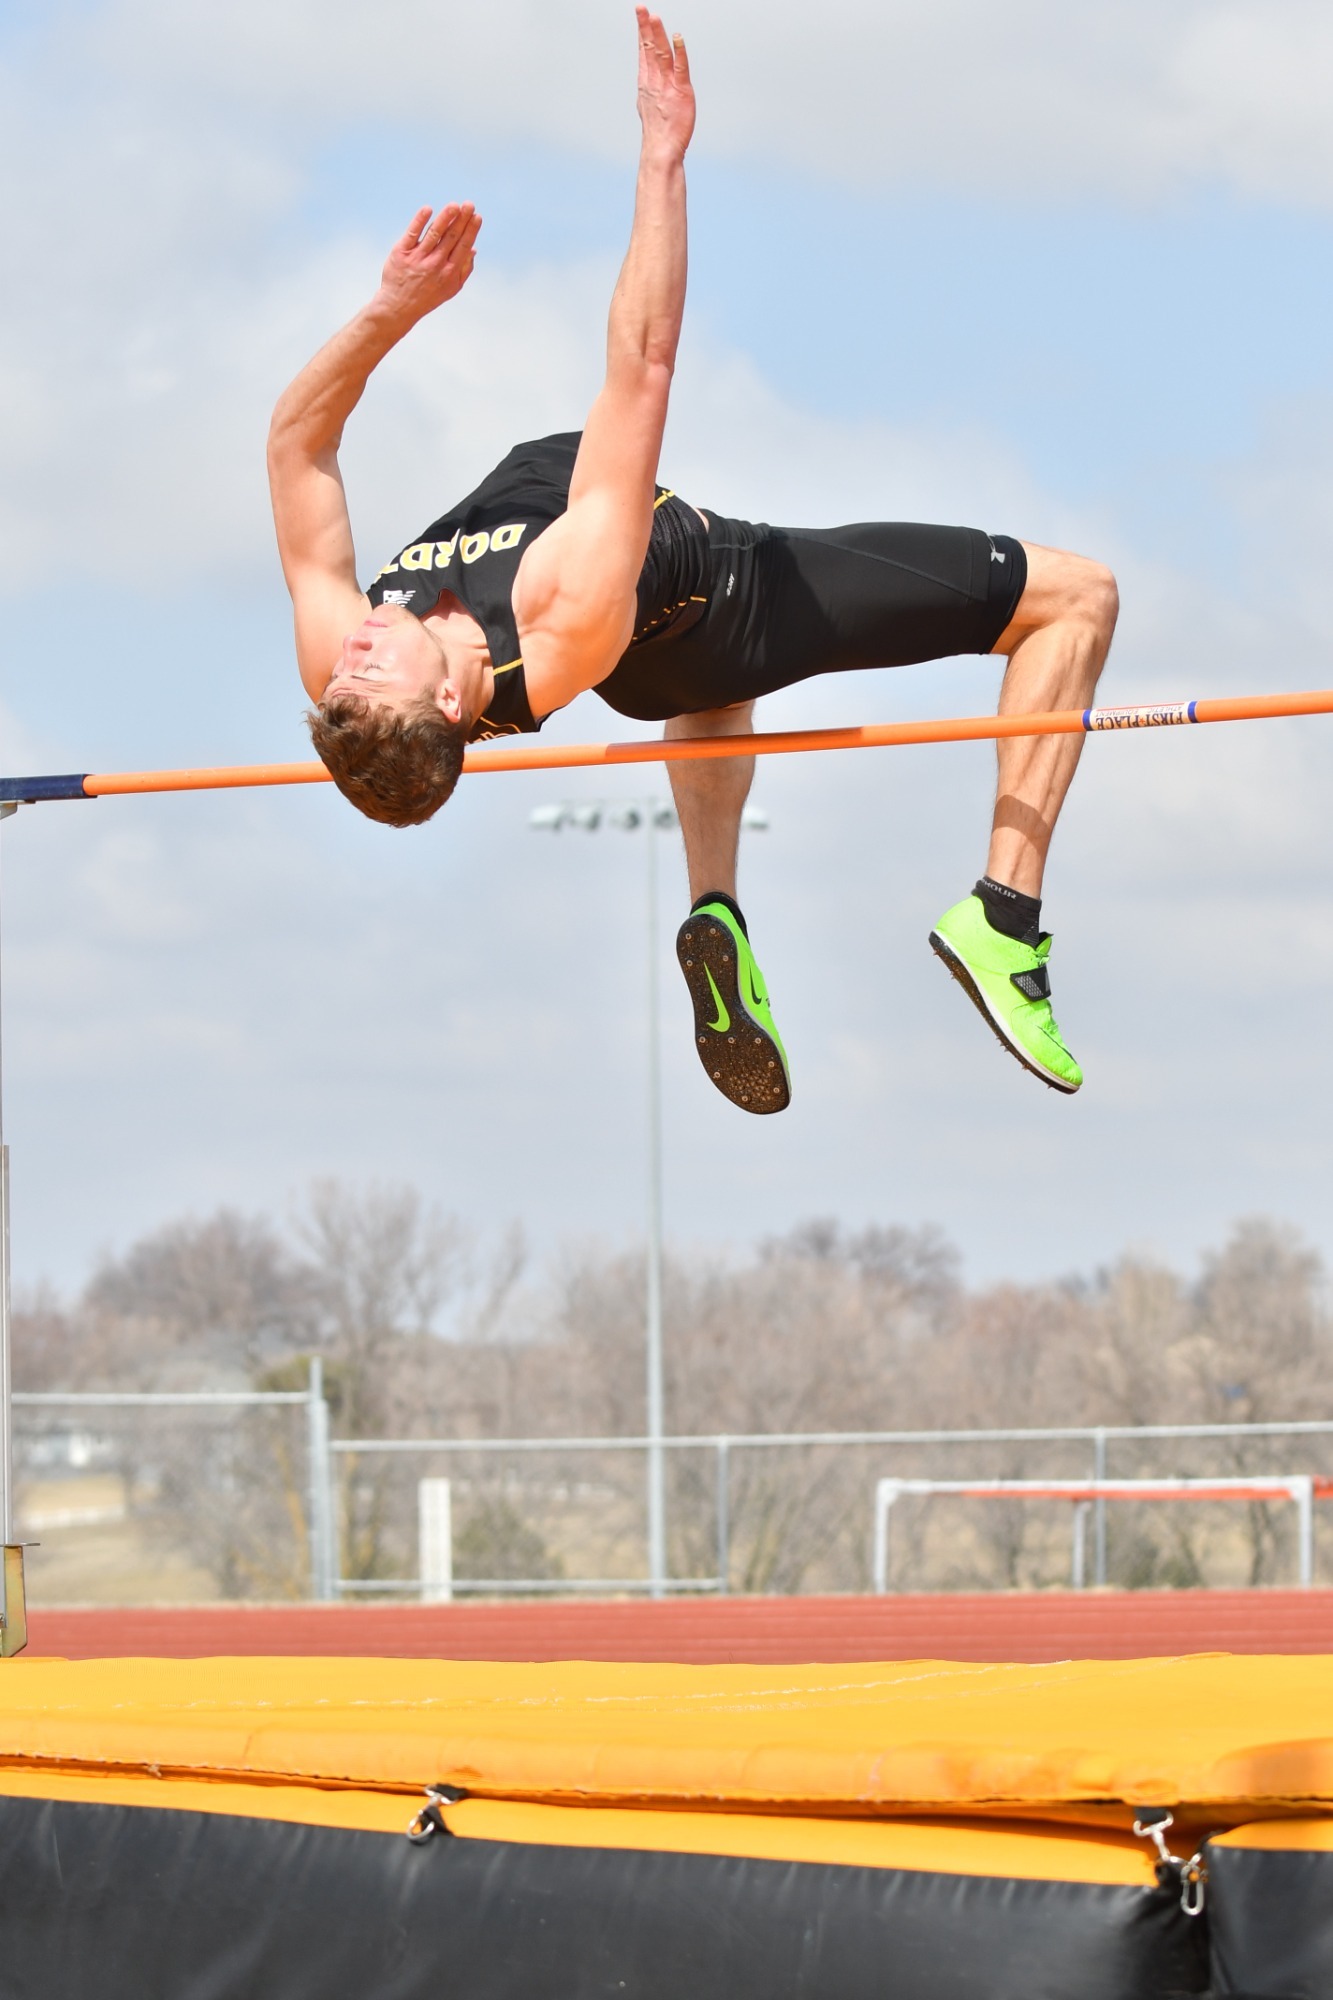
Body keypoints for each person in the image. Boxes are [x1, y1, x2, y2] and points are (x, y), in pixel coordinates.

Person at [267, 8, 1117, 1115]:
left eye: (345, 671)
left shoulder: (354, 664)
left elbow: (297, 444)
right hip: (728, 596)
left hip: (654, 662)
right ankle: (1004, 921)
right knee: (1074, 597)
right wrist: (662, 159)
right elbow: (643, 365)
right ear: (440, 693)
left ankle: (716, 907)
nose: (356, 651)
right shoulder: (553, 598)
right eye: (368, 672)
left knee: (701, 676)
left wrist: (391, 309)